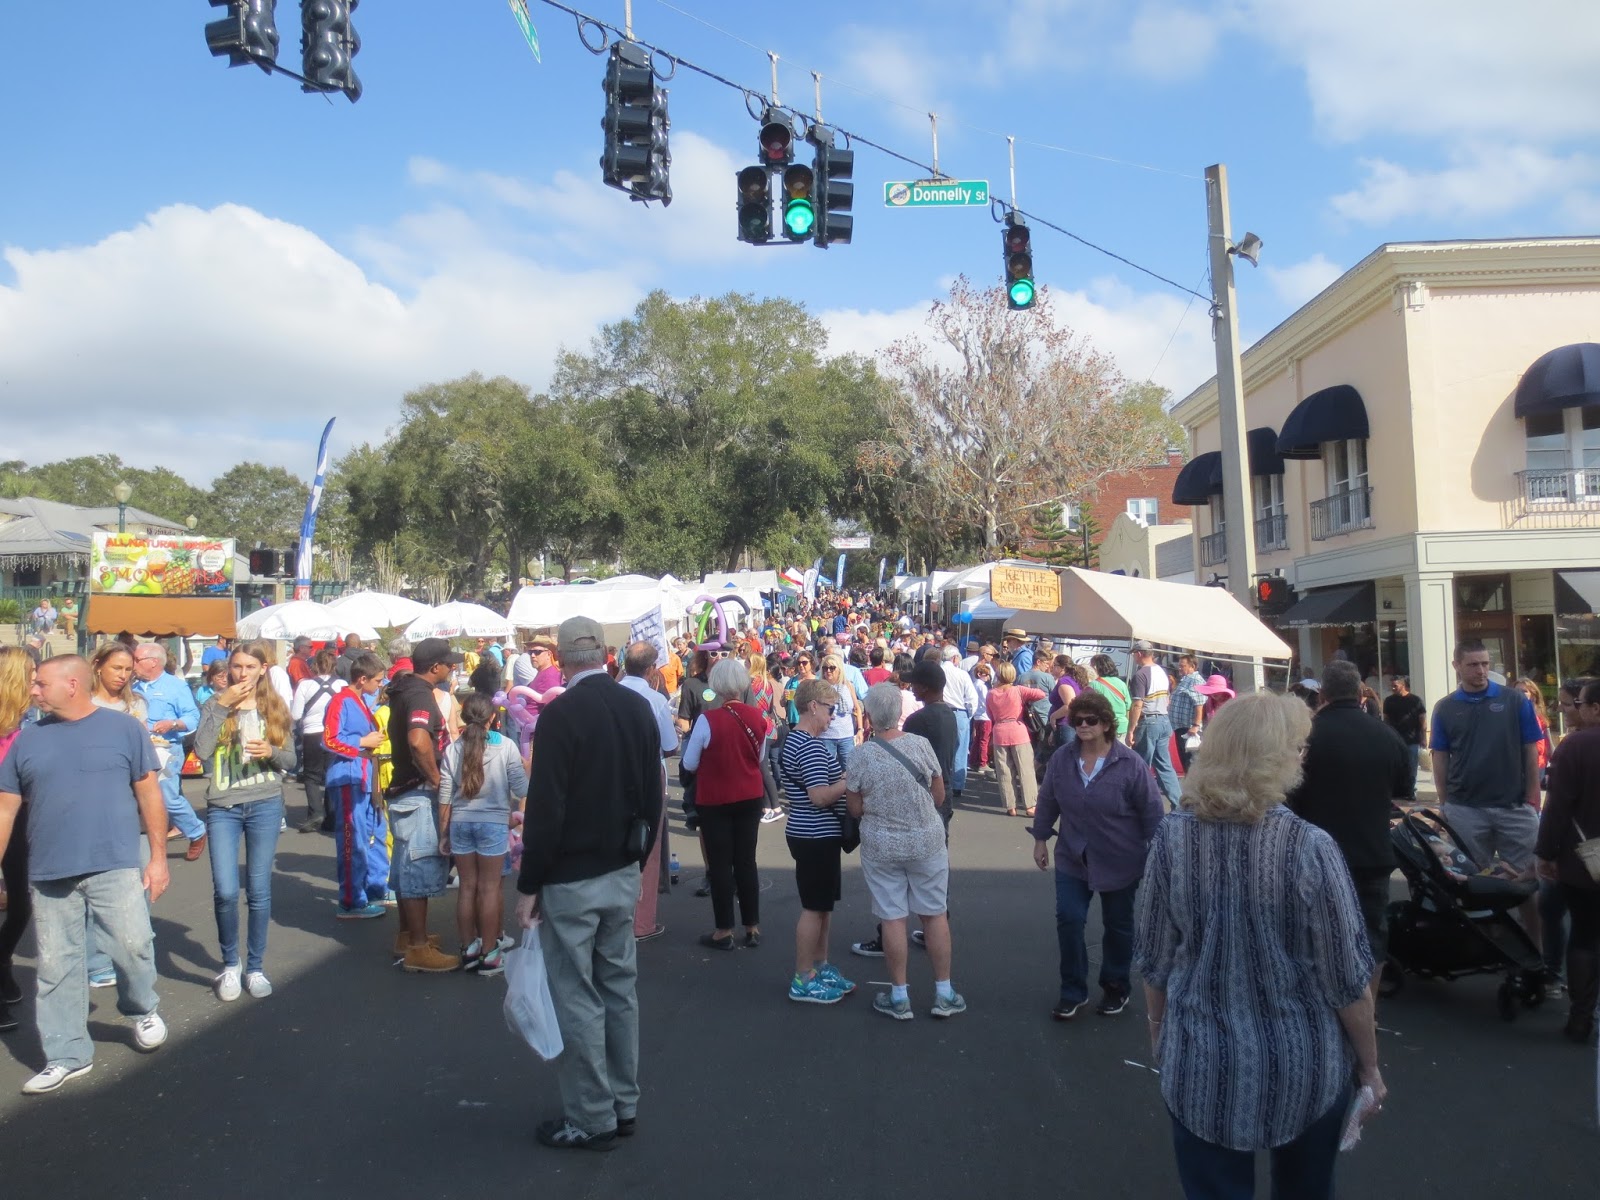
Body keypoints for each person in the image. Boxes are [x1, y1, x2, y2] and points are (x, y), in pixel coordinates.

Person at [1135, 692, 1384, 1199]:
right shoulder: (1311, 846)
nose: (1302, 757)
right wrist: (1370, 1065)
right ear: (1278, 759)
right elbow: (1346, 980)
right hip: (1304, 1061)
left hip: (1202, 1059)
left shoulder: (1172, 839)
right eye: (1298, 747)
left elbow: (1155, 959)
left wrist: (1159, 1033)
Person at [516, 615, 664, 1152]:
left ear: (560, 658)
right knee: (618, 988)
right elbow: (654, 794)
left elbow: (546, 808)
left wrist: (530, 882)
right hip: (620, 868)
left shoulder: (561, 715)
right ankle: (623, 1101)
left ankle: (592, 1113)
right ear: (605, 654)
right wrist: (638, 858)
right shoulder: (636, 706)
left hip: (572, 875)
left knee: (576, 993)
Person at [0, 656, 171, 1094]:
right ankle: (66, 1054)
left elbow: (148, 791)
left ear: (71, 684)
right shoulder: (27, 740)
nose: (33, 690)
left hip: (113, 861)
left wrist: (157, 857)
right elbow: (5, 807)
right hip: (49, 870)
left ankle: (141, 1007)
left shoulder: (123, 729)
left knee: (133, 946)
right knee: (57, 966)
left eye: (41, 683)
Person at [1031, 689, 1163, 1020]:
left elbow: (1152, 814)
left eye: (1092, 720)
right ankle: (1072, 991)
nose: (1083, 725)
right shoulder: (1063, 758)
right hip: (1073, 856)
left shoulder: (1130, 764)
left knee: (1118, 925)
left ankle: (1116, 987)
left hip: (1121, 857)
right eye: (1077, 720)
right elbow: (1048, 799)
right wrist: (1040, 839)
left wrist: (1160, 855)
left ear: (1107, 724)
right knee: (1070, 920)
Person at [1286, 661, 1412, 1002]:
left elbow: (1289, 794)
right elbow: (1404, 787)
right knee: (1371, 934)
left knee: (1316, 934)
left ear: (1322, 694)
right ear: (1360, 693)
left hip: (1316, 853)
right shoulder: (1387, 735)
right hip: (1372, 850)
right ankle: (1366, 1008)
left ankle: (1322, 1003)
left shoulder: (1307, 737)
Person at [847, 683, 963, 1020]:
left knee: (892, 916)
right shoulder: (920, 745)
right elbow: (938, 796)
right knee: (934, 914)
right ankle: (944, 992)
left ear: (868, 716)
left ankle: (900, 997)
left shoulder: (860, 755)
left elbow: (854, 808)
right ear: (900, 713)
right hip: (926, 840)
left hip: (882, 844)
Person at [193, 641, 296, 1002]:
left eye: (250, 667)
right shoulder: (214, 703)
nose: (242, 674)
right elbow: (201, 751)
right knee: (224, 890)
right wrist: (222, 706)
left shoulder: (274, 706)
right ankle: (230, 965)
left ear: (262, 669)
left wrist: (272, 752)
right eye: (236, 667)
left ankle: (254, 967)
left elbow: (292, 760)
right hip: (223, 805)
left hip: (265, 803)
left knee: (258, 890)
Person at [1430, 639, 1544, 945]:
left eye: (1484, 664)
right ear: (1457, 666)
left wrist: (1533, 798)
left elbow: (1530, 749)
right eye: (1473, 664)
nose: (1481, 671)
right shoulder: (1445, 707)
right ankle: (1485, 948)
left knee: (1526, 883)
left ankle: (1537, 952)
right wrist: (1445, 803)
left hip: (1514, 807)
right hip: (1465, 809)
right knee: (1471, 883)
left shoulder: (1515, 701)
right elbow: (1439, 756)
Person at [681, 658, 777, 950]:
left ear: (718, 686)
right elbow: (759, 759)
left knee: (721, 865)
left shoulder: (707, 721)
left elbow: (689, 762)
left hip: (715, 798)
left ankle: (724, 930)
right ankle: (752, 926)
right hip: (749, 795)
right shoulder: (758, 717)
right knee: (746, 861)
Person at [385, 638, 466, 973]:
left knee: (406, 865)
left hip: (406, 789)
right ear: (436, 667)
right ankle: (417, 947)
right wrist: (437, 780)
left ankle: (409, 936)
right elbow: (419, 740)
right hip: (417, 790)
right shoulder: (419, 694)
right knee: (417, 868)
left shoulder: (406, 690)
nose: (453, 669)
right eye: (450, 664)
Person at [779, 676, 855, 1004]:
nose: (832, 717)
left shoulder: (801, 742)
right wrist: (848, 780)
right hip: (814, 833)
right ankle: (803, 977)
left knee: (823, 907)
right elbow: (819, 796)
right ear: (812, 706)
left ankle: (818, 968)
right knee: (814, 908)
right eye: (829, 709)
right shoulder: (807, 745)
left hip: (814, 833)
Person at [440, 693, 527, 975]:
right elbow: (521, 789)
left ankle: (468, 949)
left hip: (461, 822)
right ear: (492, 717)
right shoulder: (506, 746)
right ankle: (490, 952)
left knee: (467, 887)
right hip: (492, 823)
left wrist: (444, 832)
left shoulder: (454, 748)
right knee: (489, 888)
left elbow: (445, 793)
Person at [1536, 679, 1600, 1042]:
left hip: (1584, 860)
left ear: (1595, 708)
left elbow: (1557, 808)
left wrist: (1545, 853)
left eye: (1583, 703)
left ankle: (1581, 1017)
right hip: (1584, 859)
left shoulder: (1576, 746)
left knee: (1584, 936)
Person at [323, 652, 392, 923]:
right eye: (377, 680)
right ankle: (351, 900)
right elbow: (329, 739)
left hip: (366, 775)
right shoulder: (340, 700)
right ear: (362, 679)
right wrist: (362, 741)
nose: (380, 684)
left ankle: (376, 888)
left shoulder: (361, 700)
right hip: (348, 776)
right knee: (353, 838)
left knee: (375, 830)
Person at [619, 642, 676, 942]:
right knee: (648, 845)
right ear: (652, 669)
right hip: (648, 774)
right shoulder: (654, 700)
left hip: (613, 774)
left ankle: (617, 919)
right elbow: (669, 745)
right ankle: (642, 923)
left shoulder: (612, 693)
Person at [131, 641, 206, 860]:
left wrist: (172, 724)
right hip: (137, 748)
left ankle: (196, 831)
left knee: (167, 797)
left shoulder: (175, 686)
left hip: (165, 748)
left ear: (153, 662)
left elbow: (193, 717)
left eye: (137, 659)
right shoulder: (132, 687)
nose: (132, 664)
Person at [0, 647, 35, 1034]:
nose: (36, 680)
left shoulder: (33, 716)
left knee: (23, 904)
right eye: (30, 673)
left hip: (21, 815)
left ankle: (3, 961)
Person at [290, 648, 346, 833]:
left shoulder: (305, 685)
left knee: (312, 776)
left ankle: (315, 814)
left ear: (314, 665)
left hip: (312, 733)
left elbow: (296, 714)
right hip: (334, 733)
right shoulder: (342, 685)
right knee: (331, 774)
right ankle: (332, 816)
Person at [1126, 640, 1181, 809]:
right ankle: (1179, 804)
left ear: (1139, 654)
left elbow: (1137, 704)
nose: (1134, 657)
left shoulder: (1141, 675)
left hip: (1149, 721)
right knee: (1164, 766)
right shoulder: (1161, 672)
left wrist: (1131, 729)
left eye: (1135, 654)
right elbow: (1167, 699)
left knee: (1141, 766)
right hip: (1164, 719)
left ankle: (1141, 806)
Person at [988, 662, 1048, 818]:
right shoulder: (1019, 690)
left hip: (1000, 732)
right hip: (1018, 730)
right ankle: (1030, 806)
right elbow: (1041, 694)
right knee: (1026, 770)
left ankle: (1010, 806)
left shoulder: (991, 693)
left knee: (1004, 771)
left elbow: (990, 715)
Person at [936, 645, 980, 798]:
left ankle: (940, 781)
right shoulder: (962, 674)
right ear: (955, 658)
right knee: (960, 750)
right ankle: (957, 785)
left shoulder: (938, 672)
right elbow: (972, 698)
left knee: (941, 748)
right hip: (959, 712)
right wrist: (968, 714)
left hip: (940, 711)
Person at [747, 653, 784, 824]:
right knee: (760, 767)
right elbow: (769, 707)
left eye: (747, 662)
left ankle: (775, 807)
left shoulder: (751, 683)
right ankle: (767, 807)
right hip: (768, 726)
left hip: (758, 727)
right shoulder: (766, 683)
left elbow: (748, 706)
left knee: (761, 768)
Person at [1381, 676, 1427, 799]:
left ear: (1403, 685)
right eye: (1391, 685)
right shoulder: (1389, 701)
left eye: (1395, 685)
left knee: (1412, 766)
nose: (1393, 688)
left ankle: (1410, 791)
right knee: (1396, 766)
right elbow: (1386, 719)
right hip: (1395, 739)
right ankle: (1399, 790)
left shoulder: (1415, 700)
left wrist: (1423, 737)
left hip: (1412, 739)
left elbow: (1422, 720)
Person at [816, 654, 862, 769]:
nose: (828, 671)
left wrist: (860, 730)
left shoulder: (848, 685)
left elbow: (857, 708)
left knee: (849, 770)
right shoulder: (819, 687)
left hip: (846, 734)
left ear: (839, 669)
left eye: (832, 668)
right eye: (825, 668)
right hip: (826, 735)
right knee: (827, 770)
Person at [1168, 655, 1206, 773]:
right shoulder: (1186, 679)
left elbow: (1199, 704)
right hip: (1181, 726)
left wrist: (1195, 725)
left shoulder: (1195, 680)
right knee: (1185, 759)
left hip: (1189, 728)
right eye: (1179, 666)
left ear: (1192, 666)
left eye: (1182, 666)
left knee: (1190, 760)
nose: (1179, 669)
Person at [1087, 654, 1130, 736]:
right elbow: (1128, 707)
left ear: (1095, 667)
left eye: (1091, 666)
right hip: (1122, 726)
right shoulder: (1122, 684)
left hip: (1103, 725)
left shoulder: (1094, 685)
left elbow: (1085, 706)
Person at [968, 660, 993, 776]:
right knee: (984, 740)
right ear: (979, 674)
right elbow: (986, 700)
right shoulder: (982, 687)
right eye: (986, 674)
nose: (988, 677)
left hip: (977, 716)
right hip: (985, 715)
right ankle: (983, 762)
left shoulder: (974, 684)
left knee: (977, 739)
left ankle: (973, 760)